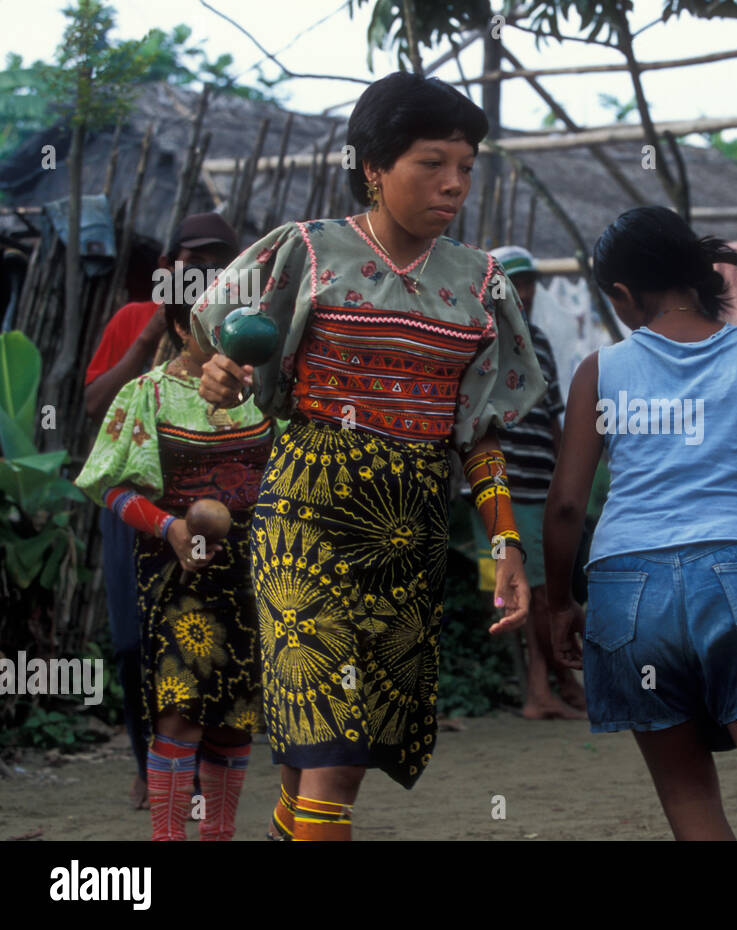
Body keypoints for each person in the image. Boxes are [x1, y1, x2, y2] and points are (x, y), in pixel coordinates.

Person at [192, 72, 545, 841]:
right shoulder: (309, 252)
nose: (453, 183)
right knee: (337, 749)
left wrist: (506, 542)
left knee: (314, 751)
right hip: (307, 520)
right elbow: (223, 347)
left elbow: (478, 435)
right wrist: (223, 374)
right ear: (374, 167)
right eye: (431, 163)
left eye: (465, 166)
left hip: (409, 530)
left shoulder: (481, 282)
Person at [542, 205, 737, 840]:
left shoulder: (598, 372)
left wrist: (560, 603)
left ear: (624, 296)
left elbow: (567, 507)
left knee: (689, 799)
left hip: (625, 590)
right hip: (733, 574)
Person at [75, 283, 273, 840]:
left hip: (249, 572)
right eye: (213, 319)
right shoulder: (148, 394)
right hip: (176, 571)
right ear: (182, 327)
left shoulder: (268, 393)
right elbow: (110, 486)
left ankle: (218, 835)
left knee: (235, 720)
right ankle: (167, 837)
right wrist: (172, 526)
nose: (230, 329)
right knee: (180, 709)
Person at [82, 213, 239, 811]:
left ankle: (194, 767)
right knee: (131, 644)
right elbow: (95, 403)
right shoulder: (130, 320)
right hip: (135, 504)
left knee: (205, 634)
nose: (205, 272)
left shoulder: (241, 329)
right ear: (168, 267)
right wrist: (154, 328)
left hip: (211, 503)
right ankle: (147, 763)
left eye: (219, 262)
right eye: (193, 261)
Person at [467, 244, 585, 720]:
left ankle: (553, 683)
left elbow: (554, 416)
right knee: (522, 588)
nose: (524, 290)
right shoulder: (477, 333)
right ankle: (541, 688)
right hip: (496, 481)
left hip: (539, 480)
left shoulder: (538, 339)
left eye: (530, 280)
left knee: (533, 588)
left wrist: (566, 473)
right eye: (512, 281)